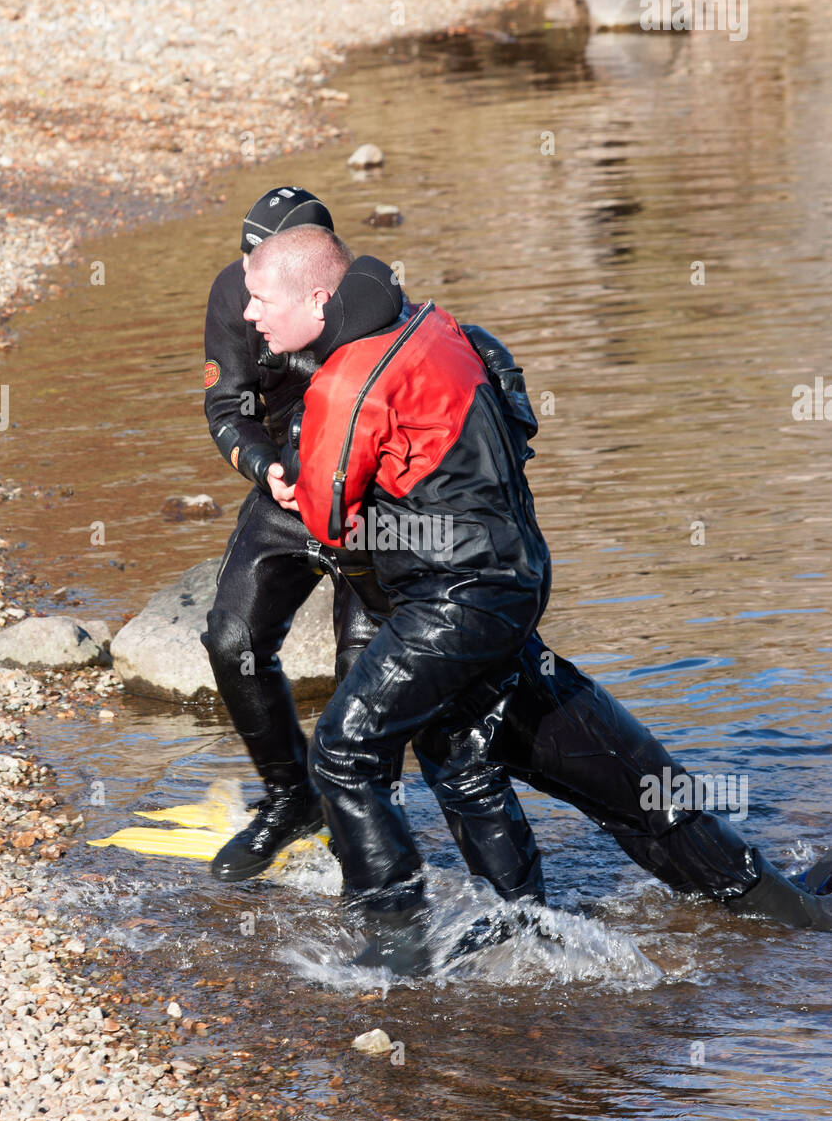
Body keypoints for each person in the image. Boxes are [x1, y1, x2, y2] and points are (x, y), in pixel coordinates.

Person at [240, 224, 832, 968]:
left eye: (261, 299)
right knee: (526, 763)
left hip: (459, 597)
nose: (252, 317)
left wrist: (290, 474)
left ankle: (398, 949)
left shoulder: (345, 381)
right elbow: (513, 413)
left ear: (319, 298)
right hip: (508, 578)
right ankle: (763, 903)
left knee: (344, 752)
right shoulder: (433, 321)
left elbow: (328, 518)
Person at [202, 187, 379, 880]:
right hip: (283, 481)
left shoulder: (368, 302)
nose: (251, 277)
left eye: (264, 258)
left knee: (361, 662)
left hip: (363, 496)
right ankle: (289, 796)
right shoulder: (236, 293)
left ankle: (358, 814)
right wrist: (262, 465)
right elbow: (224, 406)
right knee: (231, 639)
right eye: (246, 256)